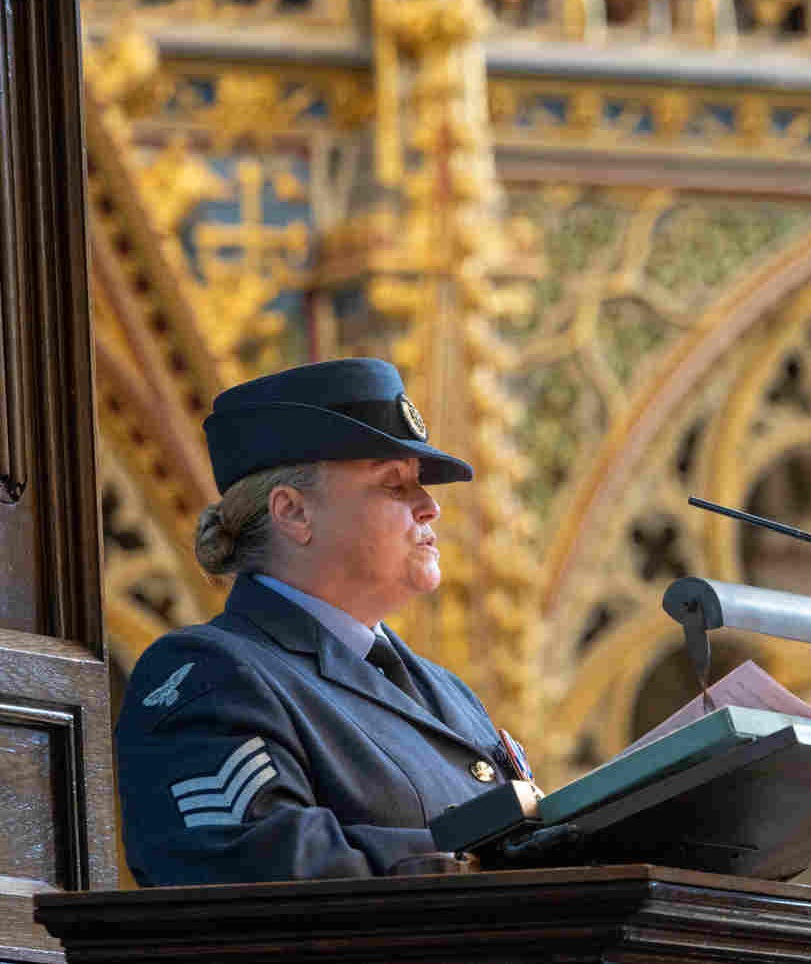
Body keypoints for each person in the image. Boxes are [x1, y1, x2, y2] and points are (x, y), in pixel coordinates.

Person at [115, 358, 531, 886]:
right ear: (293, 513)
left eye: (420, 486)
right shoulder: (212, 676)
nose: (430, 507)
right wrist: (482, 859)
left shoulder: (449, 693)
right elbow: (254, 870)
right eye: (394, 485)